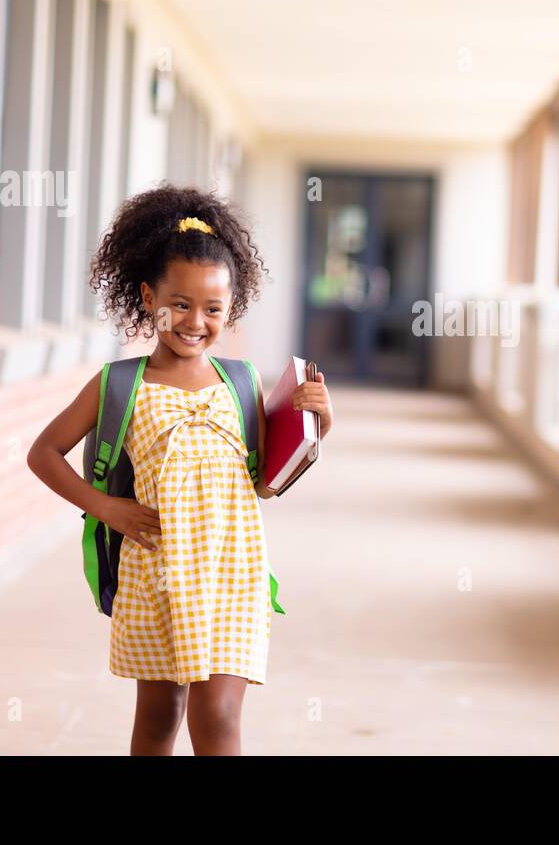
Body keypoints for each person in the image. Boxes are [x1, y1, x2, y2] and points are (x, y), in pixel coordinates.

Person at [27, 184, 333, 755]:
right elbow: (43, 452)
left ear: (231, 307)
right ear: (148, 297)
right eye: (181, 304)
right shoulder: (121, 384)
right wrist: (107, 507)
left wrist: (320, 428)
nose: (196, 321)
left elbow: (263, 481)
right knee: (159, 716)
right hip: (156, 577)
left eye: (213, 308)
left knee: (217, 717)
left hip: (233, 571)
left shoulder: (240, 382)